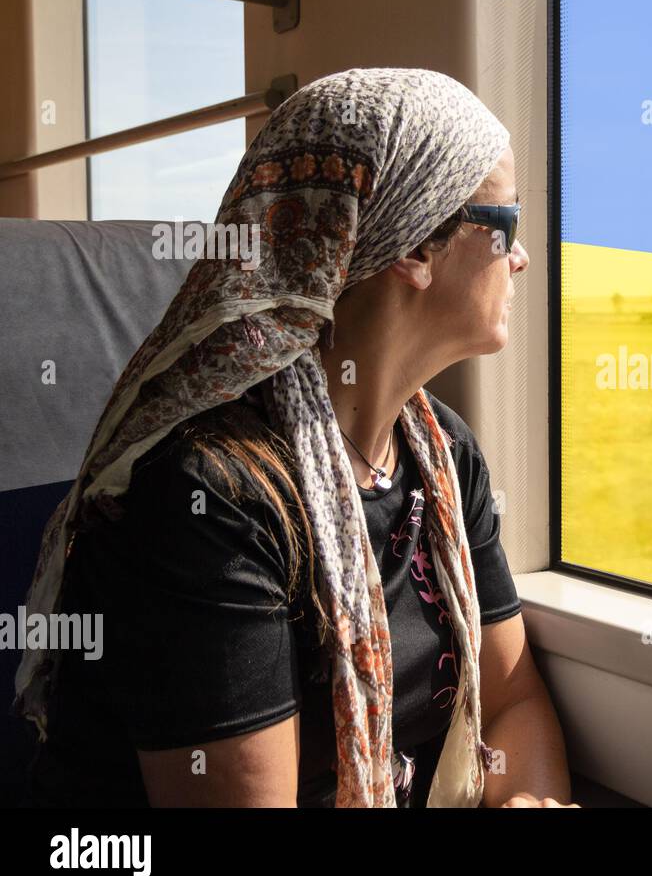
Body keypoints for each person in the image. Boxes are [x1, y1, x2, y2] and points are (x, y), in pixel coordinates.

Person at [14, 68, 577, 808]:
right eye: (503, 225)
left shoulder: (444, 454)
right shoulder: (210, 499)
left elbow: (511, 703)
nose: (521, 256)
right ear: (415, 249)